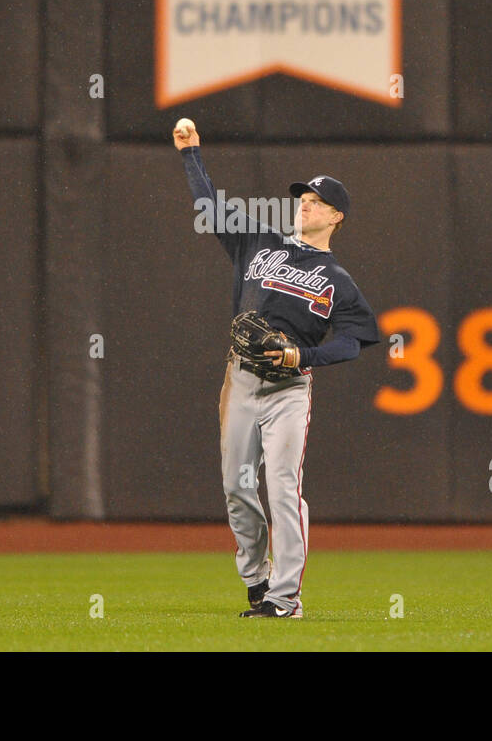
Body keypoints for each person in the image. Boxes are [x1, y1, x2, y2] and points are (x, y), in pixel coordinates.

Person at [173, 120, 381, 618]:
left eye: (315, 200)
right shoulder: (259, 244)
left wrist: (302, 357)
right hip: (240, 381)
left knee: (283, 487)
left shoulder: (338, 281)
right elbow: (210, 207)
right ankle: (256, 577)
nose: (304, 204)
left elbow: (356, 341)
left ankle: (285, 598)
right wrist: (190, 154)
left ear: (336, 217)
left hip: (289, 389)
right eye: (302, 198)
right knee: (236, 487)